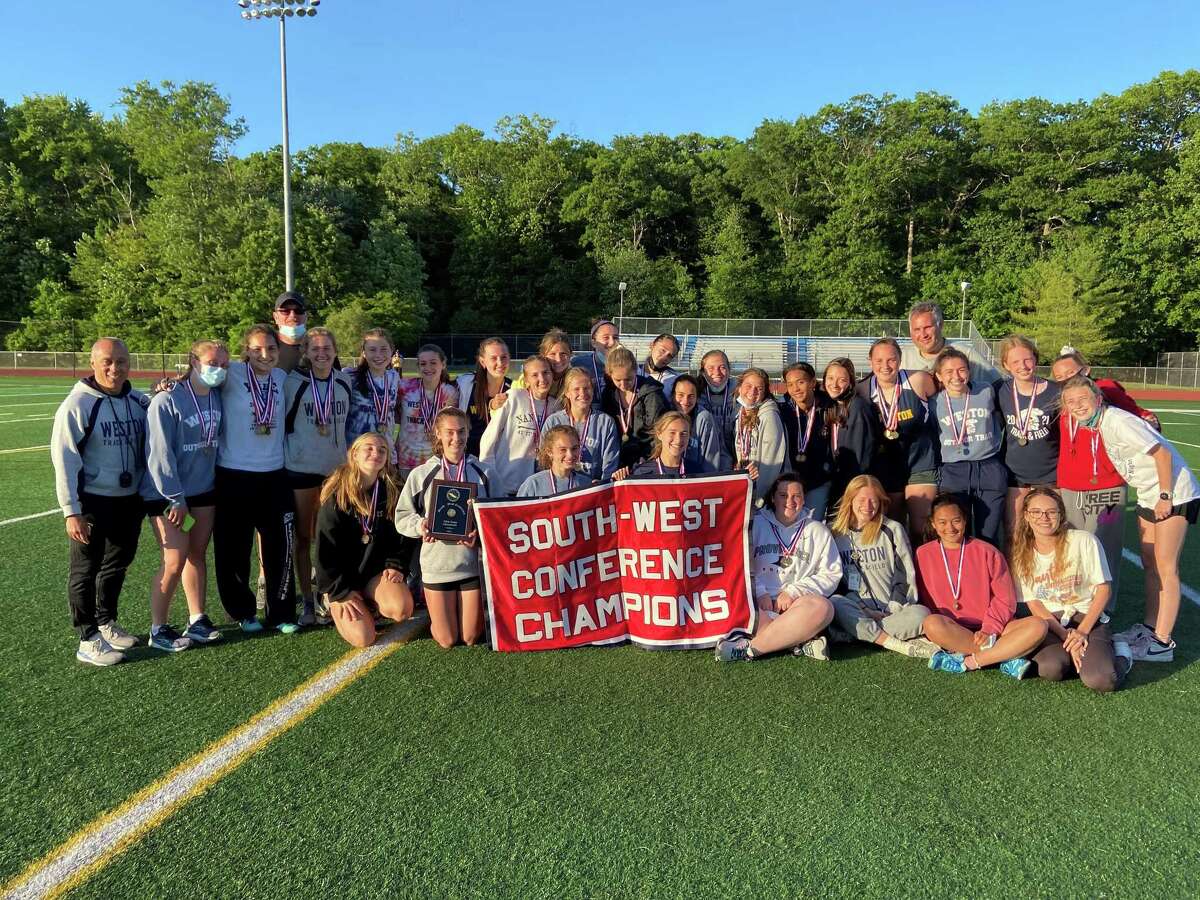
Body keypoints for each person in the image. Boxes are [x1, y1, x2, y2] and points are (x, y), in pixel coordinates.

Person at [1061, 375, 1200, 663]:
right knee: (1149, 564)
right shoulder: (1098, 425)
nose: (1077, 406)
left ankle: (1161, 642)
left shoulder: (1118, 421)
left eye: (1083, 399)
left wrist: (1165, 496)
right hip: (1150, 495)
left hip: (1174, 492)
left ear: (1098, 399)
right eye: (1071, 402)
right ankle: (1150, 628)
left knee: (1165, 567)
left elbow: (1162, 453)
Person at [51, 338, 150, 666]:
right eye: (107, 361)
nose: (115, 368)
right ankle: (87, 637)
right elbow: (65, 459)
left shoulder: (137, 400)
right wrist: (71, 511)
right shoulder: (78, 404)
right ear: (92, 363)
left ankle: (106, 622)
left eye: (121, 361)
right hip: (92, 501)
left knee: (117, 563)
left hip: (128, 498)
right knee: (85, 569)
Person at [142, 339, 229, 652]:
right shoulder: (167, 399)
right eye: (211, 363)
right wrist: (174, 497)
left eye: (223, 364)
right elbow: (158, 454)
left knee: (196, 553)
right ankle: (158, 627)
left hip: (203, 491)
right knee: (174, 559)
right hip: (169, 497)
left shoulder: (217, 396)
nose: (217, 369)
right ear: (193, 361)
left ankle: (197, 619)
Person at [213, 324, 299, 635]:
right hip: (233, 474)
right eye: (258, 349)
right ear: (246, 351)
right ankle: (243, 611)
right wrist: (168, 385)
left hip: (274, 474)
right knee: (234, 548)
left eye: (271, 349)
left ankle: (281, 612)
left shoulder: (280, 378)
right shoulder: (230, 374)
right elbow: (197, 381)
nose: (265, 355)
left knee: (280, 547)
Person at [395, 408, 496, 648]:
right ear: (438, 434)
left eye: (461, 431)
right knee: (447, 640)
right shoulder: (422, 474)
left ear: (468, 432)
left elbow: (498, 516)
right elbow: (401, 517)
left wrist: (479, 535)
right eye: (449, 432)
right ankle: (439, 617)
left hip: (472, 565)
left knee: (471, 638)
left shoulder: (484, 473)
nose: (456, 438)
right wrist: (421, 526)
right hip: (437, 566)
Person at [917, 493, 1047, 676]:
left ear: (965, 520)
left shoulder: (987, 551)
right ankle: (1005, 655)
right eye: (942, 522)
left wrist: (989, 629)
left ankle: (970, 660)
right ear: (933, 523)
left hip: (995, 629)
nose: (950, 528)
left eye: (956, 521)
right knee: (931, 624)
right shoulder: (923, 554)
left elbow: (1005, 598)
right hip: (954, 630)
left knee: (1038, 625)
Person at [1009, 488, 1125, 691]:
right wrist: (1065, 635)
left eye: (1051, 512)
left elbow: (1104, 590)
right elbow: (1034, 603)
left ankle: (1122, 653)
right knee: (1050, 668)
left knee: (1101, 679)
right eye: (1036, 512)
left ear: (1061, 514)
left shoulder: (1083, 540)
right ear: (1026, 515)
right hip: (1052, 623)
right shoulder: (1021, 554)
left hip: (1087, 618)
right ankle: (1084, 657)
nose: (1044, 518)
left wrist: (1081, 632)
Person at [714, 474, 839, 662]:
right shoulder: (755, 524)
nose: (790, 501)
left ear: (804, 499)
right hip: (758, 604)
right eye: (783, 495)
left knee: (824, 608)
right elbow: (737, 564)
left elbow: (831, 574)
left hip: (796, 606)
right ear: (773, 497)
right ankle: (798, 642)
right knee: (733, 604)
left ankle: (749, 649)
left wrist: (794, 592)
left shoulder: (817, 530)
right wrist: (759, 591)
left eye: (796, 496)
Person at [315, 433, 415, 648]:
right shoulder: (337, 494)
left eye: (382, 449)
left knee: (402, 609)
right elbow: (325, 550)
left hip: (374, 574)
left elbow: (406, 533)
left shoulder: (393, 488)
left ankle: (370, 601)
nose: (376, 453)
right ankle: (327, 602)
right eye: (368, 448)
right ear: (354, 454)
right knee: (364, 639)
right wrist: (338, 592)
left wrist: (398, 564)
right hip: (342, 579)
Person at [284, 328, 353, 624]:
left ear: (336, 351)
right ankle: (308, 601)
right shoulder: (293, 383)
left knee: (333, 538)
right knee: (303, 537)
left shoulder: (344, 382)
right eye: (315, 348)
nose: (322, 353)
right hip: (301, 469)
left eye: (327, 348)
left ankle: (331, 594)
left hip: (335, 473)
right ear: (306, 352)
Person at [828, 475, 935, 658]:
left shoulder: (892, 529)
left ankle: (857, 635)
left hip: (891, 613)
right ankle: (893, 642)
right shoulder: (834, 533)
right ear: (850, 500)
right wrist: (865, 610)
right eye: (861, 500)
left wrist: (891, 609)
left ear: (881, 502)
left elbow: (905, 574)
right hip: (857, 610)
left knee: (922, 614)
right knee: (835, 603)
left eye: (873, 500)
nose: (868, 506)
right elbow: (835, 581)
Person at [857, 338, 938, 541]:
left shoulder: (919, 380)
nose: (885, 366)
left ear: (900, 360)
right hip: (884, 467)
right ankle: (897, 572)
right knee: (892, 529)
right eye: (879, 360)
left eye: (891, 360)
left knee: (922, 529)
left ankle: (923, 572)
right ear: (870, 361)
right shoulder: (862, 390)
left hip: (920, 463)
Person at [931, 347, 1006, 547]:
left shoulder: (986, 391)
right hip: (954, 471)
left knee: (988, 535)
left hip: (989, 467)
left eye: (962, 369)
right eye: (949, 372)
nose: (956, 376)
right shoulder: (934, 402)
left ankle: (989, 576)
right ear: (939, 376)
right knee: (955, 534)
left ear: (969, 370)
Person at [997, 335, 1060, 538]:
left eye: (1027, 359)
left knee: (1050, 533)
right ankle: (1014, 571)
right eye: (1015, 361)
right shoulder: (1000, 390)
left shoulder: (1056, 392)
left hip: (1051, 475)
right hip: (1015, 475)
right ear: (1006, 364)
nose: (1023, 366)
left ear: (1035, 359)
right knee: (1014, 534)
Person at [479, 355, 563, 496]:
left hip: (540, 489)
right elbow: (489, 439)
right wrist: (490, 478)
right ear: (526, 379)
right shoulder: (513, 397)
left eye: (546, 372)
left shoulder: (557, 406)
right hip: (506, 486)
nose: (542, 379)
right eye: (534, 375)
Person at [1051, 347, 1161, 431]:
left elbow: (1132, 412)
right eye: (1059, 377)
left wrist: (1148, 421)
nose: (1066, 379)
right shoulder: (1061, 396)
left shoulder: (1106, 387)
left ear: (1085, 370)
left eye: (1070, 373)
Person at [541, 367, 619, 483]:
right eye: (576, 389)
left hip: (592, 491)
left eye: (587, 388)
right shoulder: (553, 422)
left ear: (593, 390)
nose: (582, 393)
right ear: (567, 393)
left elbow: (610, 466)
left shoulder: (605, 422)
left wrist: (603, 486)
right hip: (560, 491)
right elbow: (544, 461)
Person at [396, 343, 459, 481]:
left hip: (436, 459)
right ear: (418, 367)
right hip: (406, 459)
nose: (428, 368)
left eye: (433, 363)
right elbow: (394, 413)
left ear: (443, 364)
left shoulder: (450, 392)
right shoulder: (404, 386)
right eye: (423, 364)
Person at [778, 363, 833, 520]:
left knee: (811, 527)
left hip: (818, 482)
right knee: (789, 526)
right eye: (790, 384)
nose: (795, 388)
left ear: (813, 383)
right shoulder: (782, 410)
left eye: (800, 382)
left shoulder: (829, 409)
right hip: (790, 483)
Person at [901, 300, 1001, 385]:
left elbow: (998, 385)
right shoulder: (901, 358)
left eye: (928, 327)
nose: (923, 335)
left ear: (940, 325)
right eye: (917, 329)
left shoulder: (966, 354)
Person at [600, 346, 668, 469]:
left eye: (629, 379)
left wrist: (647, 457)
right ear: (610, 375)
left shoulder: (651, 393)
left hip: (645, 458)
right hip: (617, 459)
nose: (623, 384)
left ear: (636, 371)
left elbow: (658, 430)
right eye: (618, 380)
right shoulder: (608, 394)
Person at [822, 357, 874, 513]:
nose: (834, 384)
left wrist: (853, 490)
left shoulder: (858, 407)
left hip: (852, 485)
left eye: (841, 380)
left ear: (851, 383)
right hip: (837, 480)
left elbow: (861, 456)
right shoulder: (832, 406)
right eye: (830, 378)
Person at [344, 328, 404, 463]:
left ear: (392, 352)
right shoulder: (349, 376)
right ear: (364, 353)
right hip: (357, 455)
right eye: (372, 350)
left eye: (383, 349)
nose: (378, 355)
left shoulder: (394, 377)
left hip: (385, 454)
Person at [731, 367, 788, 503]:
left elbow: (772, 464)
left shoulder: (769, 416)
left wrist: (757, 499)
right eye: (748, 386)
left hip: (762, 495)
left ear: (765, 392)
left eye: (759, 388)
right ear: (739, 387)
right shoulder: (739, 413)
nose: (752, 391)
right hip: (747, 488)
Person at [454, 337, 512, 456]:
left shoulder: (513, 389)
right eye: (493, 358)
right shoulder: (465, 383)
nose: (500, 363)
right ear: (482, 362)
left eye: (504, 357)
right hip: (467, 455)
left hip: (497, 457)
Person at [625, 411, 715, 479]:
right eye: (672, 432)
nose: (678, 439)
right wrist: (619, 479)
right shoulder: (641, 472)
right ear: (659, 434)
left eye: (684, 433)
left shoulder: (696, 470)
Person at [669, 374, 722, 472]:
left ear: (697, 397)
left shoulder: (704, 418)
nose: (685, 401)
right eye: (680, 395)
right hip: (669, 478)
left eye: (691, 396)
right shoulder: (665, 417)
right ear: (673, 396)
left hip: (695, 479)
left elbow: (710, 459)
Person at [517, 425, 587, 497]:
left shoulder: (586, 484)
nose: (570, 455)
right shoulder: (533, 484)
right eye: (563, 450)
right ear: (549, 452)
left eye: (574, 448)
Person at [697, 349, 736, 469]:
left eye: (722, 367)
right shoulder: (694, 392)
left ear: (729, 370)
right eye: (711, 368)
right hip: (704, 458)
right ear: (703, 372)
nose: (717, 372)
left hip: (736, 459)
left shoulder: (741, 391)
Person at [569, 318, 620, 407]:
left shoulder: (624, 364)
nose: (612, 342)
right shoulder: (577, 363)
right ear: (593, 343)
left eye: (615, 337)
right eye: (606, 337)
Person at [511, 329, 573, 397]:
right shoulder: (529, 377)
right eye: (552, 354)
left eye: (563, 353)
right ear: (543, 356)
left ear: (570, 354)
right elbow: (512, 399)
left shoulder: (574, 378)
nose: (558, 359)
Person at [272, 290, 309, 373]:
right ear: (275, 317)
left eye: (298, 311)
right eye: (285, 311)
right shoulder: (265, 349)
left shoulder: (321, 348)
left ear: (306, 316)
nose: (292, 316)